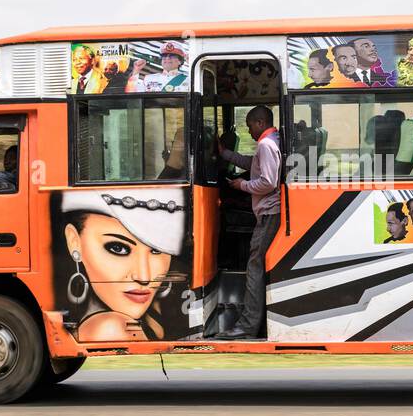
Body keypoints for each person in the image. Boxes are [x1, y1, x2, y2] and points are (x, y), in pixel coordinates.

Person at [59, 188, 186, 341]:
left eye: (157, 249)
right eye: (118, 248)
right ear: (74, 241)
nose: (144, 277)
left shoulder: (152, 314)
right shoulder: (110, 328)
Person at [216, 105, 281, 340]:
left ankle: (247, 326)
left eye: (250, 126)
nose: (249, 131)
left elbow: (267, 182)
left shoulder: (266, 144)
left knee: (255, 267)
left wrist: (241, 186)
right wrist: (226, 154)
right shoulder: (273, 140)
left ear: (260, 122)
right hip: (268, 211)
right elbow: (253, 165)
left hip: (269, 213)